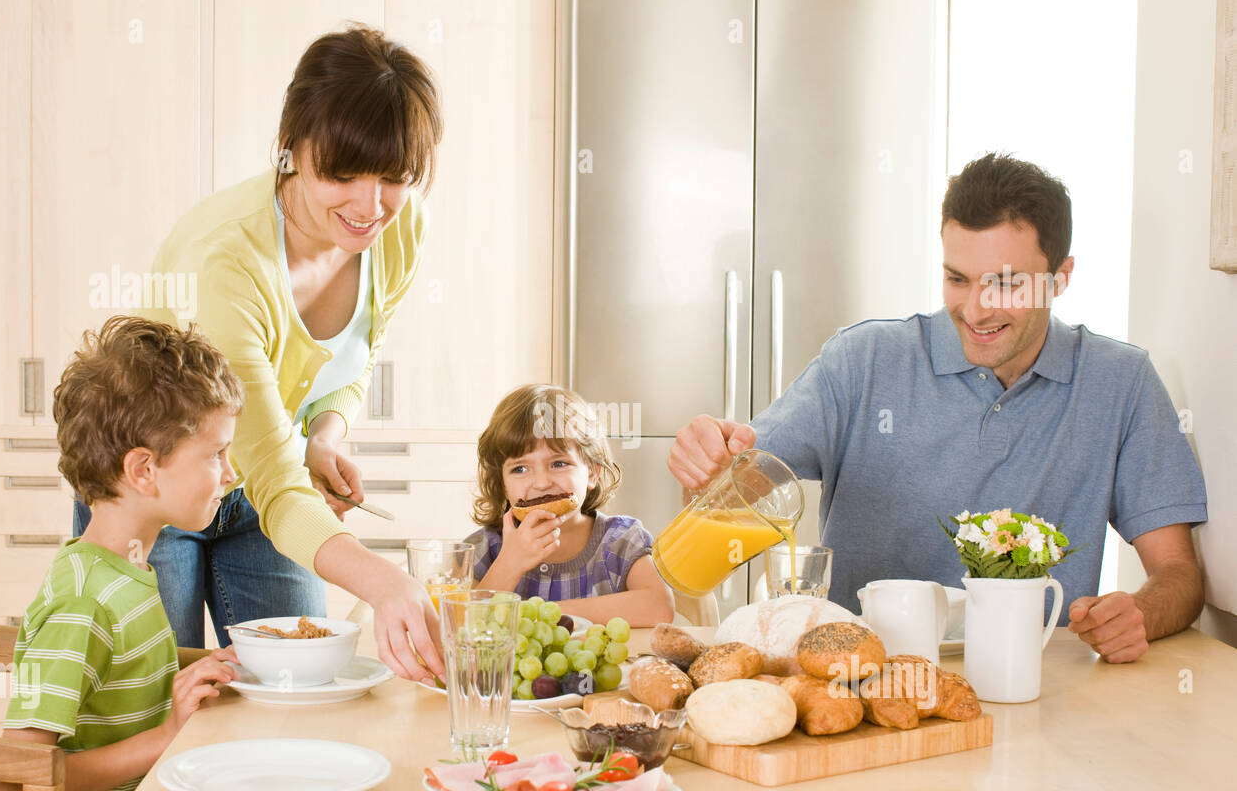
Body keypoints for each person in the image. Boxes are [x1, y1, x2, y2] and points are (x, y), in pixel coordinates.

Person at [668, 153, 1206, 664]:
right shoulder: (864, 360)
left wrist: (1139, 613)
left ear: (1060, 277)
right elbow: (744, 483)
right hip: (859, 676)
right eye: (958, 279)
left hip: (1033, 680)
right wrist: (709, 459)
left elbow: (1179, 574)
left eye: (1007, 283)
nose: (976, 310)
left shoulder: (1121, 383)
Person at [93, 24, 446, 681]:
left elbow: (356, 356)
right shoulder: (227, 262)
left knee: (298, 684)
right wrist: (386, 582)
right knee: (152, 708)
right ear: (289, 151)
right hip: (154, 486)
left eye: (394, 177)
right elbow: (280, 487)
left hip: (262, 483)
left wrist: (324, 432)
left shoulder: (401, 230)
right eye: (343, 174)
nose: (370, 208)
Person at [0, 318, 242, 791]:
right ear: (144, 470)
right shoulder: (83, 602)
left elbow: (125, 678)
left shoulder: (126, 572)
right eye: (216, 454)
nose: (231, 473)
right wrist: (166, 736)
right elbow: (12, 789)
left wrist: (208, 666)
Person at [466, 385, 675, 627]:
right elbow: (464, 628)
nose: (542, 483)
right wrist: (509, 563)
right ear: (502, 484)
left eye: (558, 463)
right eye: (520, 468)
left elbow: (659, 608)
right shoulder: (484, 549)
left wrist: (539, 613)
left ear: (592, 473)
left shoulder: (620, 541)